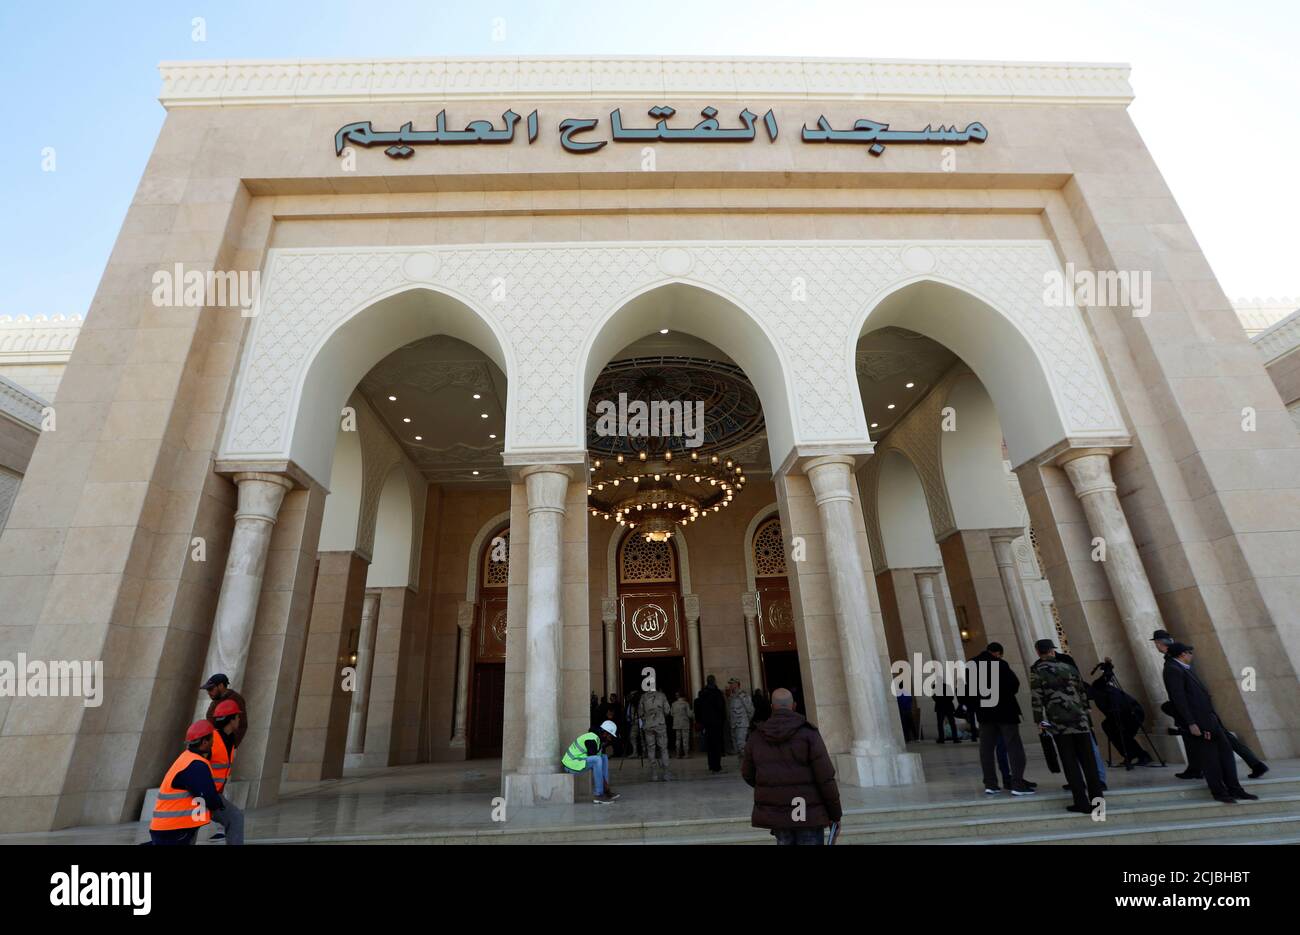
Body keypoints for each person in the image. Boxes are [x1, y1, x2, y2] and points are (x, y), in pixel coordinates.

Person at [1152, 630, 1267, 780]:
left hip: (1196, 710)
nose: (1157, 646)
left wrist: (1188, 716)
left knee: (1215, 737)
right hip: (1200, 707)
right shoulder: (1176, 659)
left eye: (1157, 644)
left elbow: (1180, 692)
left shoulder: (1175, 661)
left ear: (1161, 644)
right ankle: (1196, 769)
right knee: (1199, 737)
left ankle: (1252, 765)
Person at [741, 688, 842, 845]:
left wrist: (771, 787)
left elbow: (748, 774)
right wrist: (835, 814)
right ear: (794, 706)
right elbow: (825, 777)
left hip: (779, 813)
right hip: (807, 812)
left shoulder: (756, 737)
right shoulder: (809, 734)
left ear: (772, 707)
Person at [1162, 643, 1258, 804]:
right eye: (1189, 652)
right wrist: (1191, 723)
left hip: (1210, 719)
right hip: (1199, 723)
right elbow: (1179, 699)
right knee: (1210, 759)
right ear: (1182, 654)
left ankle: (1235, 789)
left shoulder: (1184, 667)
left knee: (1226, 754)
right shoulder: (1173, 669)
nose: (1191, 655)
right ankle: (1219, 792)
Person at [1031, 639, 1104, 814]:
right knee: (1089, 763)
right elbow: (1083, 695)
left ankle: (1081, 802)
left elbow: (1036, 699)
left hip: (1060, 724)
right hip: (1080, 722)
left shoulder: (1038, 672)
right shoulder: (1069, 668)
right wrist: (1087, 719)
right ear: (1052, 651)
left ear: (1038, 652)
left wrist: (1040, 722)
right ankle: (1098, 803)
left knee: (1070, 763)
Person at [973, 643, 1035, 796]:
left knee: (986, 749)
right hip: (1005, 712)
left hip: (984, 714)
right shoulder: (1000, 664)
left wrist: (979, 704)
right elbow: (1014, 685)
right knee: (1014, 747)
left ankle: (990, 784)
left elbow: (964, 693)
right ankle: (1017, 784)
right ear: (998, 653)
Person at [149, 720, 223, 845]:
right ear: (204, 742)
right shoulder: (196, 764)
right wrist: (219, 805)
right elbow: (207, 796)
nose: (213, 742)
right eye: (212, 738)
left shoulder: (186, 758)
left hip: (167, 828)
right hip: (175, 830)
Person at [207, 699, 245, 845]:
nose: (239, 720)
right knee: (188, 831)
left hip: (214, 795)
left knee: (235, 818)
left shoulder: (229, 739)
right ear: (231, 719)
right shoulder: (211, 740)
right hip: (200, 796)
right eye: (237, 716)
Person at [562, 720, 623, 804]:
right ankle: (599, 795)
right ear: (605, 733)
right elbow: (594, 761)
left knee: (603, 757)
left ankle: (605, 791)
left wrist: (605, 784)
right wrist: (605, 784)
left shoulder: (598, 740)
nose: (610, 738)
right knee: (597, 759)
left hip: (578, 762)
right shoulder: (591, 739)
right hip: (571, 765)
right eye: (610, 736)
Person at [201, 673, 248, 747]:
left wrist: (229, 744)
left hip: (223, 744)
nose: (209, 693)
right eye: (208, 690)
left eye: (211, 689)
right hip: (211, 743)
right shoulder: (216, 700)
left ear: (221, 686)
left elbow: (242, 724)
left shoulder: (235, 700)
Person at [638, 684, 674, 781]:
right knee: (663, 749)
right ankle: (666, 773)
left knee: (651, 749)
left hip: (648, 726)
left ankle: (654, 774)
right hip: (660, 725)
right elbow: (667, 711)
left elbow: (640, 713)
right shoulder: (662, 696)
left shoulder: (643, 697)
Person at [696, 675, 727, 773]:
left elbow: (698, 709)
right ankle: (717, 766)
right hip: (717, 723)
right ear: (714, 681)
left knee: (710, 745)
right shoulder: (717, 693)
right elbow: (721, 708)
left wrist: (700, 721)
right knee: (717, 745)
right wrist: (723, 720)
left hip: (707, 723)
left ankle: (711, 765)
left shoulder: (702, 694)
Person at [727, 677, 755, 756]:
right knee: (736, 748)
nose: (730, 685)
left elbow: (750, 710)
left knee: (741, 745)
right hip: (733, 725)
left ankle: (747, 765)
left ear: (736, 684)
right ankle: (741, 766)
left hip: (741, 724)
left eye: (731, 684)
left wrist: (746, 721)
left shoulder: (743, 695)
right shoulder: (731, 697)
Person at [670, 691, 693, 757]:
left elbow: (671, 714)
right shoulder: (686, 704)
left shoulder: (673, 704)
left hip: (676, 723)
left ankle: (677, 754)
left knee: (678, 739)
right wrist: (693, 713)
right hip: (685, 723)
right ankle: (686, 754)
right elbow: (689, 714)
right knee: (685, 739)